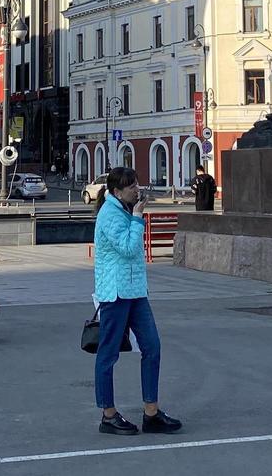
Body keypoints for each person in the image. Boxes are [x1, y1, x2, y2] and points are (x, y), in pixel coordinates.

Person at [91, 166, 181, 437]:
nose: (136, 189)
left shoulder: (123, 210)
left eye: (137, 183)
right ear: (117, 191)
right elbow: (129, 248)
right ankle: (108, 414)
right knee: (108, 354)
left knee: (152, 347)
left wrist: (135, 215)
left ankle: (151, 412)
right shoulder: (110, 214)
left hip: (135, 292)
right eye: (131, 186)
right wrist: (139, 217)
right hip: (115, 292)